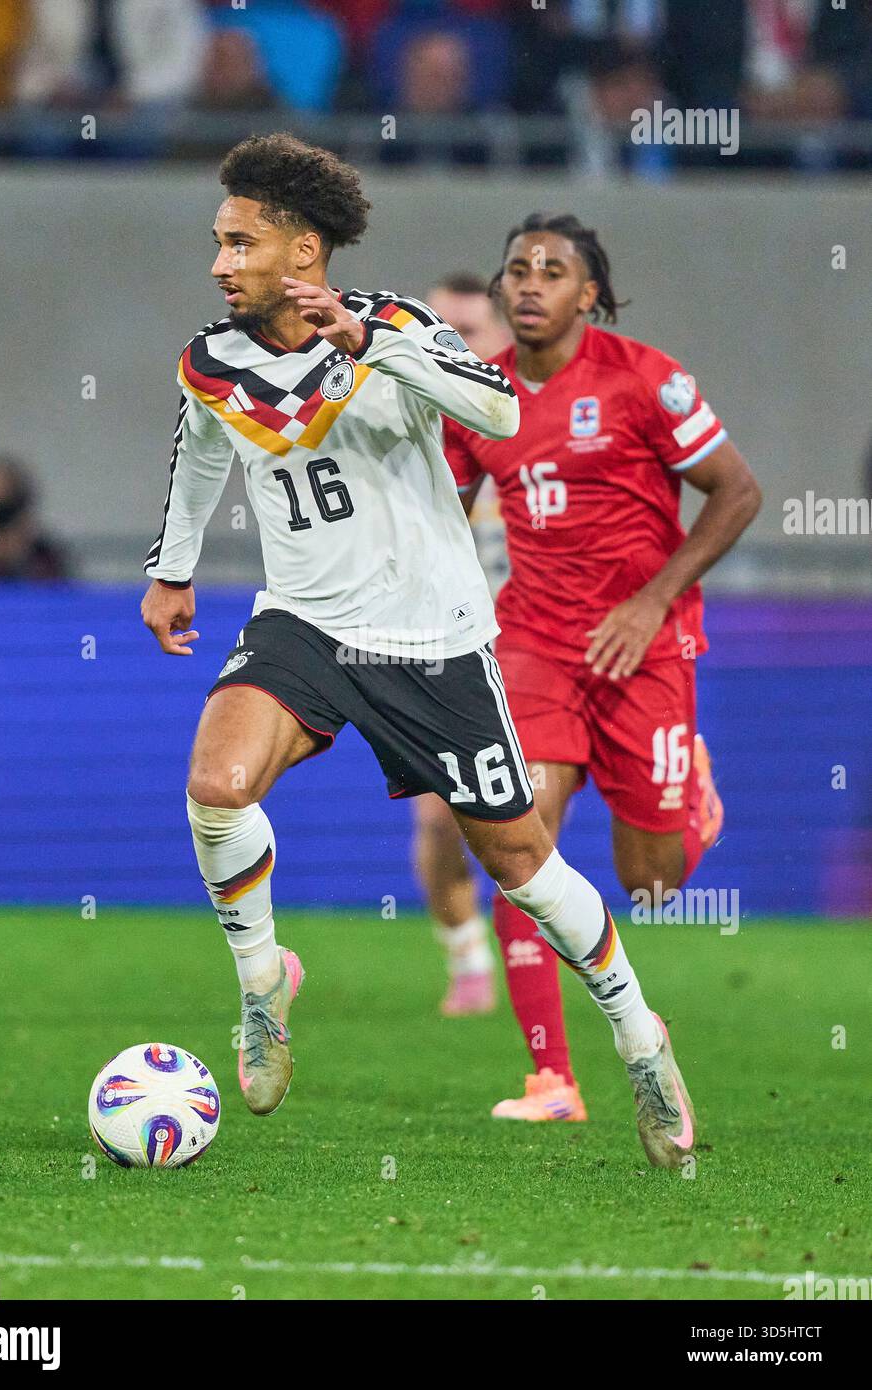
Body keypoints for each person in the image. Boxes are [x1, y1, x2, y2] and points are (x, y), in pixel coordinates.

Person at [140, 135, 696, 1168]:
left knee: (521, 863)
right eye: (219, 243)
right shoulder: (212, 358)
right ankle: (264, 986)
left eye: (239, 243)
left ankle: (639, 1034)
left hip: (432, 640)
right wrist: (172, 568)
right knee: (216, 782)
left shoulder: (395, 321)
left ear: (301, 251)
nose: (220, 263)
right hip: (302, 622)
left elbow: (496, 406)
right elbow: (200, 445)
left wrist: (366, 339)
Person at [441, 211, 761, 1122]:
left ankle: (687, 793)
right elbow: (441, 511)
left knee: (650, 881)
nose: (530, 282)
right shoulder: (481, 396)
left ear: (588, 293)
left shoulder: (643, 379)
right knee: (515, 838)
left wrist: (655, 597)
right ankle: (553, 1077)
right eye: (517, 268)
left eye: (552, 270)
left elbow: (737, 492)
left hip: (642, 643)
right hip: (533, 642)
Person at [415, 273, 511, 1018]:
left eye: (466, 334)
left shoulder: (527, 432)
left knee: (529, 822)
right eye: (434, 329)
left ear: (503, 342)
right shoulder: (402, 430)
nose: (445, 347)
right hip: (440, 644)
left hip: (542, 646)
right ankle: (468, 957)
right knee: (441, 818)